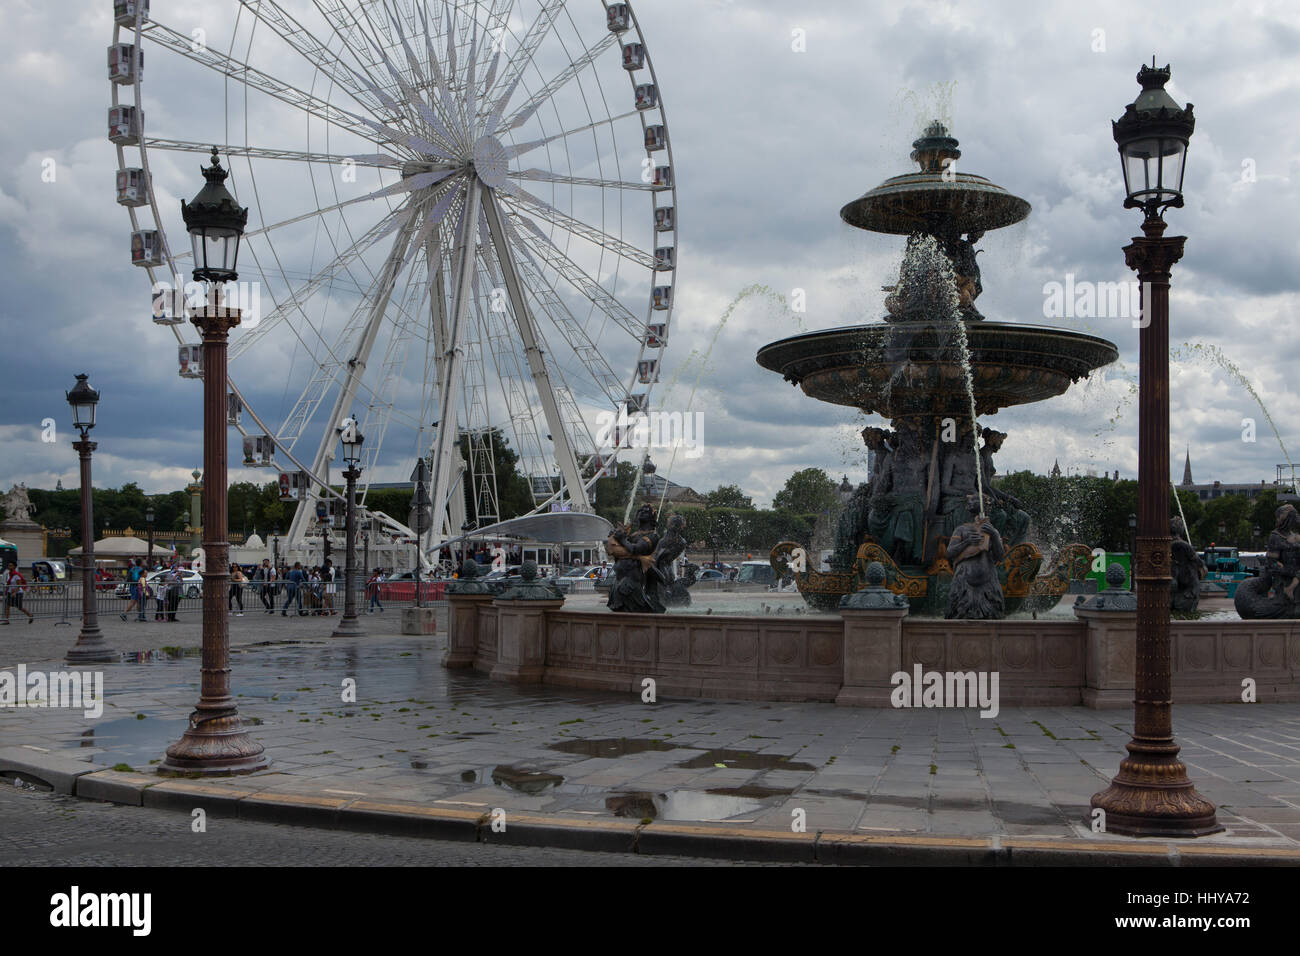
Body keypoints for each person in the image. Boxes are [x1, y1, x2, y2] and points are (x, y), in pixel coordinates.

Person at [121, 557, 145, 621]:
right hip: (138, 587)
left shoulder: (132, 569)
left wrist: (124, 587)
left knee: (138, 602)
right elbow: (143, 579)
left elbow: (127, 578)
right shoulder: (141, 570)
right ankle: (124, 613)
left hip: (132, 586)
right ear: (141, 563)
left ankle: (141, 615)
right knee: (133, 602)